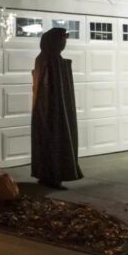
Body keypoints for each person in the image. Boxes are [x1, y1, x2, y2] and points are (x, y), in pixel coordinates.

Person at [31, 27, 83, 189]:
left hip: (51, 110)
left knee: (50, 140)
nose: (64, 43)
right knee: (55, 141)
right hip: (52, 112)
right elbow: (49, 88)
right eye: (61, 40)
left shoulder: (46, 59)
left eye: (64, 40)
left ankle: (46, 174)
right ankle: (53, 175)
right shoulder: (50, 60)